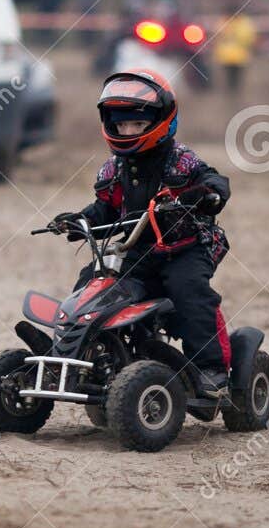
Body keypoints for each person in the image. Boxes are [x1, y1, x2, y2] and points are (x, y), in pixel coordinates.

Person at [48, 69, 233, 397]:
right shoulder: (113, 169)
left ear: (160, 120)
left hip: (186, 247)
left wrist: (207, 195)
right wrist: (77, 220)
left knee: (186, 287)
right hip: (139, 251)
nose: (127, 130)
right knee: (92, 282)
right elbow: (104, 209)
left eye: (137, 124)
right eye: (121, 124)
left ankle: (211, 368)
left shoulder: (182, 160)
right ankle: (80, 358)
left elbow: (215, 181)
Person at [215, 5, 257, 94]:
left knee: (235, 78)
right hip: (229, 57)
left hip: (237, 56)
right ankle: (232, 93)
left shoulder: (241, 22)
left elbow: (248, 38)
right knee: (230, 78)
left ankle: (234, 93)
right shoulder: (244, 22)